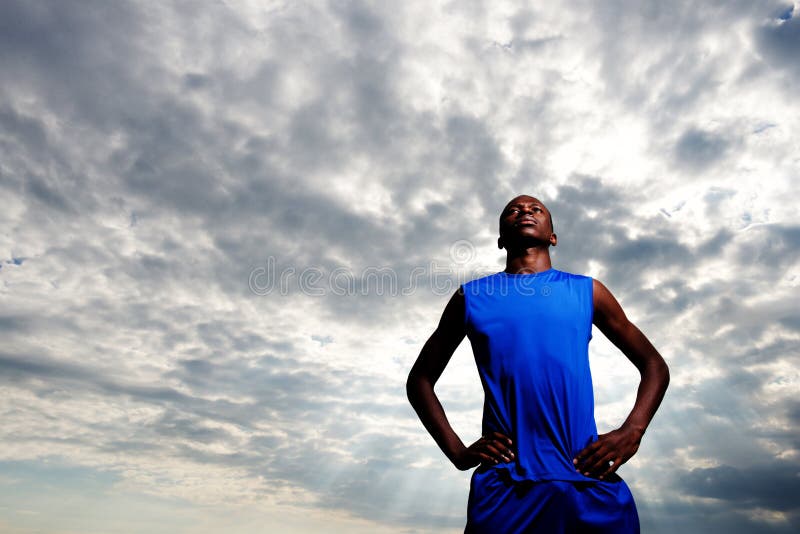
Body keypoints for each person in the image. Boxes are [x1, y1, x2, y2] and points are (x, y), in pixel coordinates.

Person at [406, 195, 670, 533]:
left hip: (587, 480)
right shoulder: (470, 297)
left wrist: (633, 430)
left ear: (553, 236)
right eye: (513, 211)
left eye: (536, 209)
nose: (524, 212)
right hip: (505, 490)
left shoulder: (587, 291)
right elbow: (420, 380)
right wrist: (457, 452)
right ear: (501, 238)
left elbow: (653, 364)